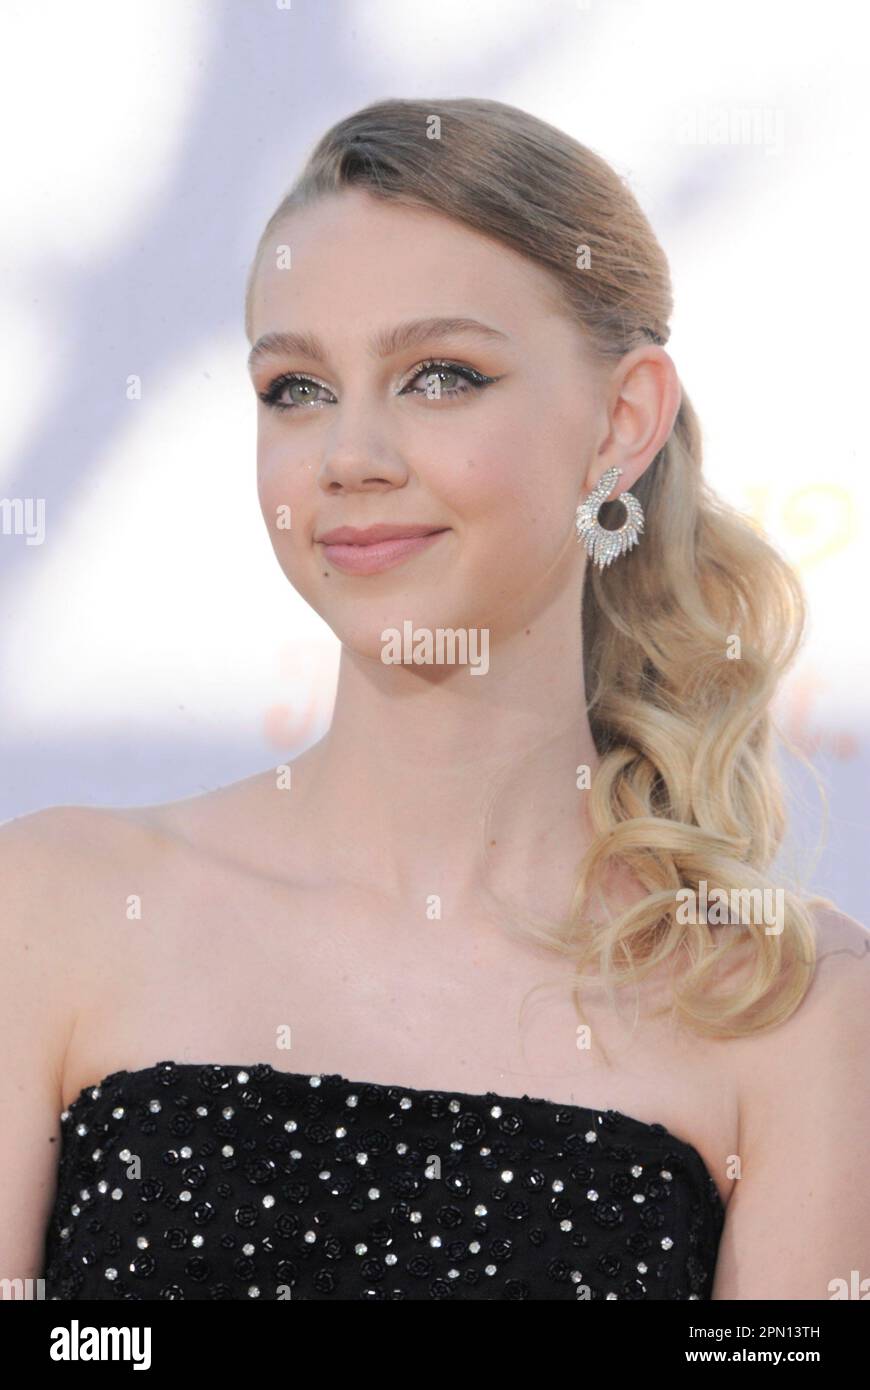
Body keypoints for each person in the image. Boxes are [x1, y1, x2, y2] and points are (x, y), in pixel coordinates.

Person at [2, 98, 867, 1302]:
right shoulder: (53, 911)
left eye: (440, 376)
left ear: (622, 422)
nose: (349, 453)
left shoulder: (787, 1004)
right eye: (295, 387)